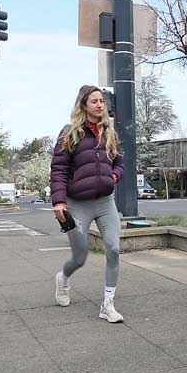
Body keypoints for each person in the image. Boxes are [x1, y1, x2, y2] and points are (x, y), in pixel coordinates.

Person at [50, 85, 124, 322]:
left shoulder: (109, 132)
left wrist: (113, 177)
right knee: (80, 257)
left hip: (105, 203)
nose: (100, 104)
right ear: (84, 104)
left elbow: (120, 162)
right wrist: (59, 201)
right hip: (77, 204)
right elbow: (59, 169)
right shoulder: (70, 132)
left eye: (101, 100)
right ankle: (63, 279)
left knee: (113, 249)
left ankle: (108, 305)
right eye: (94, 101)